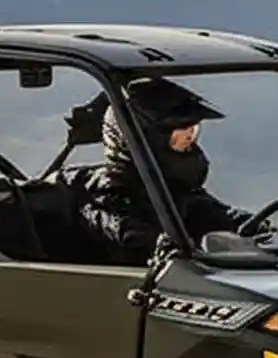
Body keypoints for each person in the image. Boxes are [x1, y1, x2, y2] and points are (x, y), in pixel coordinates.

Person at [76, 77, 261, 266]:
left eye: (192, 133)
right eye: (180, 136)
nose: (190, 141)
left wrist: (255, 227)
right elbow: (127, 234)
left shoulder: (170, 189)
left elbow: (207, 211)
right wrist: (163, 248)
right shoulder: (107, 196)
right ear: (148, 140)